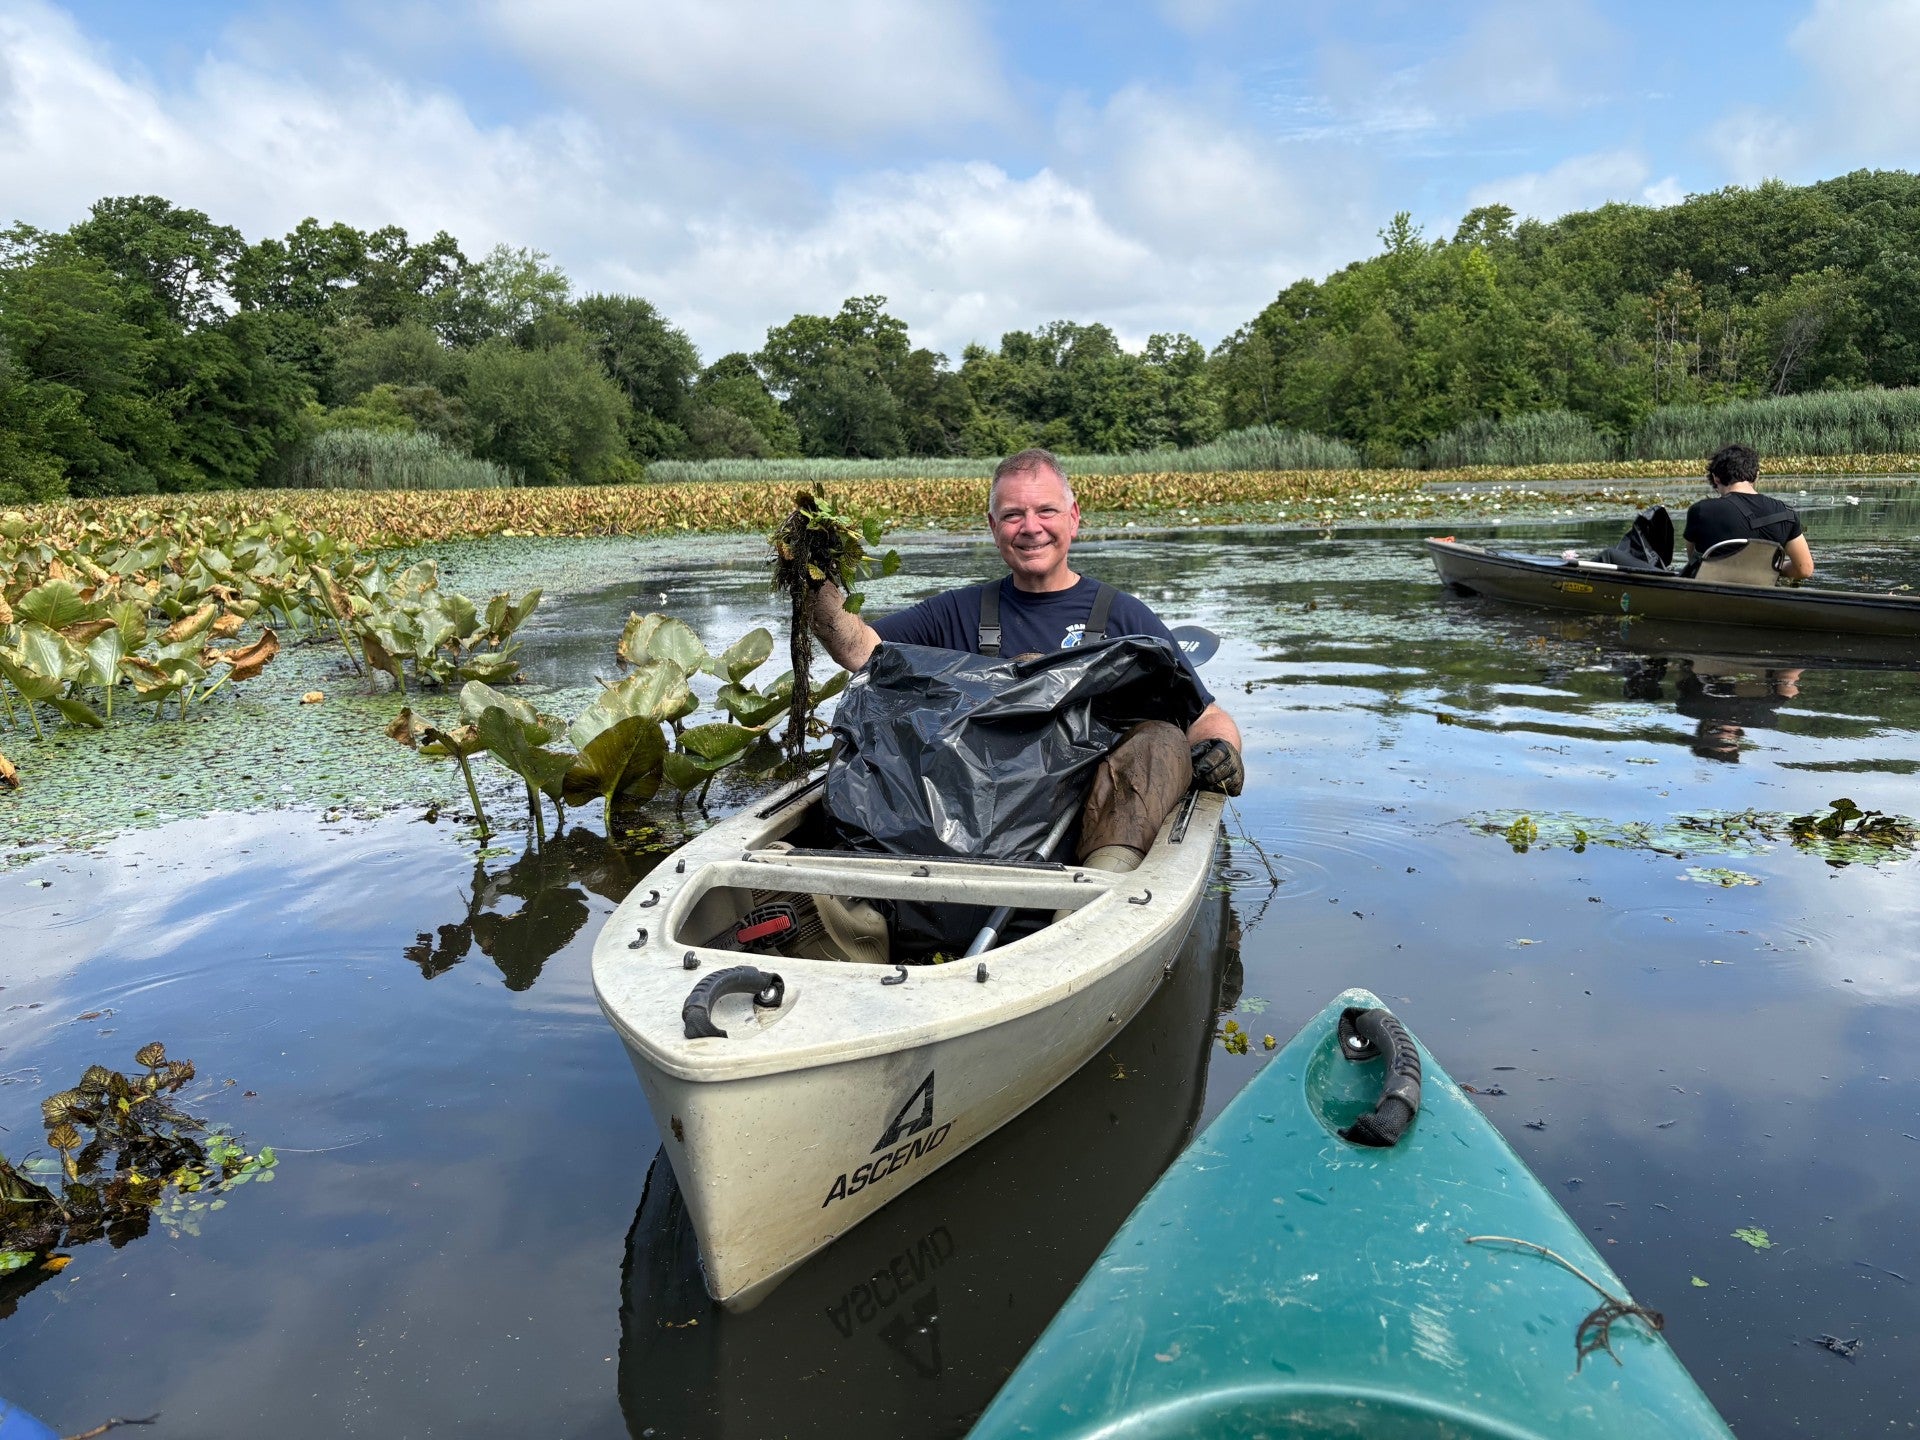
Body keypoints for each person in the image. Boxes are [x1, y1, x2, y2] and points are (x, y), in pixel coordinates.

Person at [810, 447, 1244, 876]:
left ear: (1074, 518)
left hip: (1088, 831)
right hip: (972, 827)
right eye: (1014, 515)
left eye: (1046, 511)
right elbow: (860, 651)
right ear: (993, 526)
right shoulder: (956, 611)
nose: (1031, 528)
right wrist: (813, 576)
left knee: (1162, 738)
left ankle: (1099, 892)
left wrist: (1223, 751)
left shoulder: (1125, 617)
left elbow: (1204, 717)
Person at [1683, 443, 1815, 581]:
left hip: (1713, 594)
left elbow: (1694, 561)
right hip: (1762, 595)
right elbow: (1804, 569)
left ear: (1716, 478)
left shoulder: (1700, 511)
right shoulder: (1787, 514)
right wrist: (1769, 568)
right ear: (1756, 476)